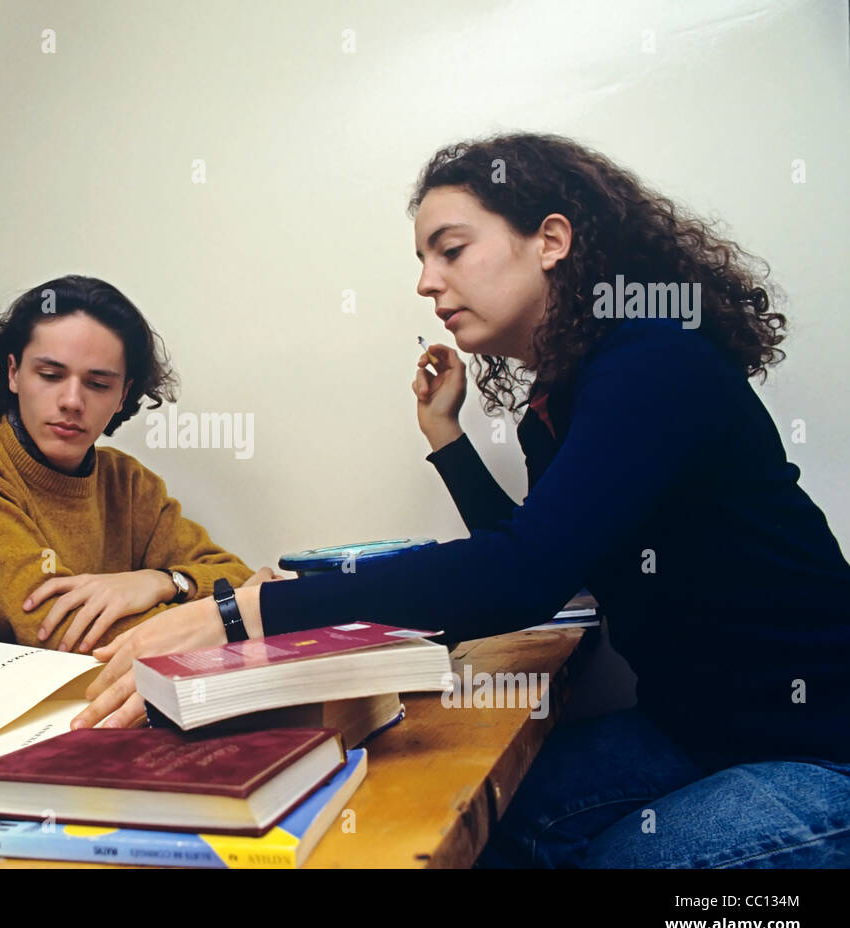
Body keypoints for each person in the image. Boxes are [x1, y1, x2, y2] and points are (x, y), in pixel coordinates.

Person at [71, 133, 850, 867]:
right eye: (421, 259)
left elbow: (521, 574)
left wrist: (239, 613)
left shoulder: (653, 360)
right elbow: (545, 561)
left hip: (817, 745)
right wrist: (445, 433)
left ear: (550, 240)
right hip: (701, 730)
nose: (425, 282)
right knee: (495, 821)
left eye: (450, 249)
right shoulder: (566, 393)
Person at [0, 275, 267, 671]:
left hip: (95, 712)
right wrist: (234, 619)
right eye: (50, 375)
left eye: (97, 384)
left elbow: (236, 575)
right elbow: (67, 631)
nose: (71, 401)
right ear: (13, 373)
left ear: (122, 395)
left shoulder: (128, 483)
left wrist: (161, 581)